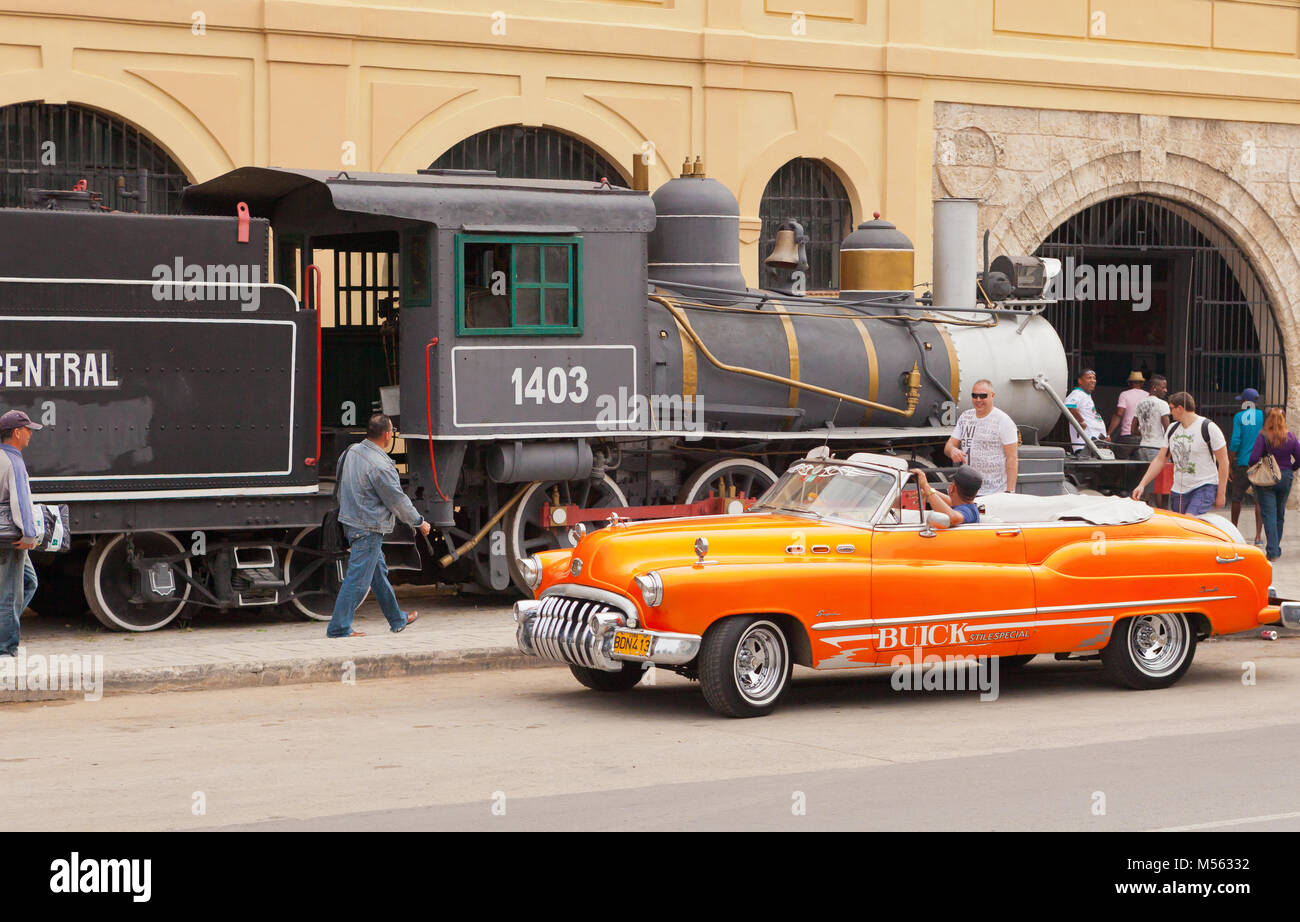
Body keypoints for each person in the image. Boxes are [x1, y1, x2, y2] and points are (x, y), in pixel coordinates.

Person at [326, 413, 433, 638]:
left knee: (378, 573)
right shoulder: (380, 466)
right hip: (368, 527)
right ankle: (339, 627)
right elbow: (398, 501)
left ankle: (397, 619)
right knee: (357, 580)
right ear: (387, 435)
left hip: (351, 521)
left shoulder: (350, 452)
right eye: (392, 431)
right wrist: (419, 522)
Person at [1129, 392, 1229, 516]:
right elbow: (1160, 459)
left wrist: (1221, 493)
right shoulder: (1172, 429)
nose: (1170, 412)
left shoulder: (1208, 427)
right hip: (1179, 490)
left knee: (1189, 521)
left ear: (1180, 408)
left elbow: (1224, 462)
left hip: (1204, 486)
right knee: (1182, 525)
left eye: (1171, 408)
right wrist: (1142, 484)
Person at [0, 410, 42, 657]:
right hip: (11, 539)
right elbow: (21, 502)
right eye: (28, 430)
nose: (30, 435)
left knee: (29, 582)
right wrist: (29, 535)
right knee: (9, 593)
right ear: (16, 433)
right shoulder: (13, 461)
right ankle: (5, 648)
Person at [944, 379, 1018, 495]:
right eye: (975, 395)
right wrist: (953, 450)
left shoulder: (1003, 421)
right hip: (968, 490)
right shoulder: (965, 417)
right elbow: (949, 446)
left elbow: (1012, 458)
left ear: (992, 396)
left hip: (995, 492)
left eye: (983, 396)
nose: (978, 400)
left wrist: (1010, 492)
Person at [1248, 408, 1300, 562]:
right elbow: (1299, 456)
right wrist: (1292, 468)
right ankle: (1275, 546)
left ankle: (1273, 551)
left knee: (1268, 514)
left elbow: (1253, 458)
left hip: (1267, 479)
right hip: (1285, 477)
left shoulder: (1263, 436)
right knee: (1279, 514)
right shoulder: (1290, 436)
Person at [1132, 375, 1171, 508]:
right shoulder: (1162, 404)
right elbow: (1168, 429)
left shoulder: (1140, 403)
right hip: (1158, 448)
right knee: (1161, 485)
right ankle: (1162, 512)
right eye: (1163, 387)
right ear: (1154, 388)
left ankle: (1144, 509)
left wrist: (1146, 431)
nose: (1165, 390)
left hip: (1143, 446)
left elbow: (1133, 430)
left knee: (1146, 482)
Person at [911, 465, 982, 526]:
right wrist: (929, 491)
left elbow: (950, 518)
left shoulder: (968, 511)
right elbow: (950, 502)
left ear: (953, 488)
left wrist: (926, 486)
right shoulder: (968, 507)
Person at [1107, 371, 1148, 460]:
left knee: (1122, 463)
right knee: (1141, 464)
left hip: (1127, 436)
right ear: (1142, 383)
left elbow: (1119, 414)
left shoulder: (1124, 394)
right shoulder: (1148, 396)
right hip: (1143, 437)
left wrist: (1109, 433)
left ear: (1129, 383)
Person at [1064, 369, 1107, 455]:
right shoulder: (1077, 393)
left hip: (1094, 443)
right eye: (1089, 378)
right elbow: (1069, 405)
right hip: (1085, 445)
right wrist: (1081, 421)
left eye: (1094, 378)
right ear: (1080, 381)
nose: (1093, 380)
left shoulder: (1085, 395)